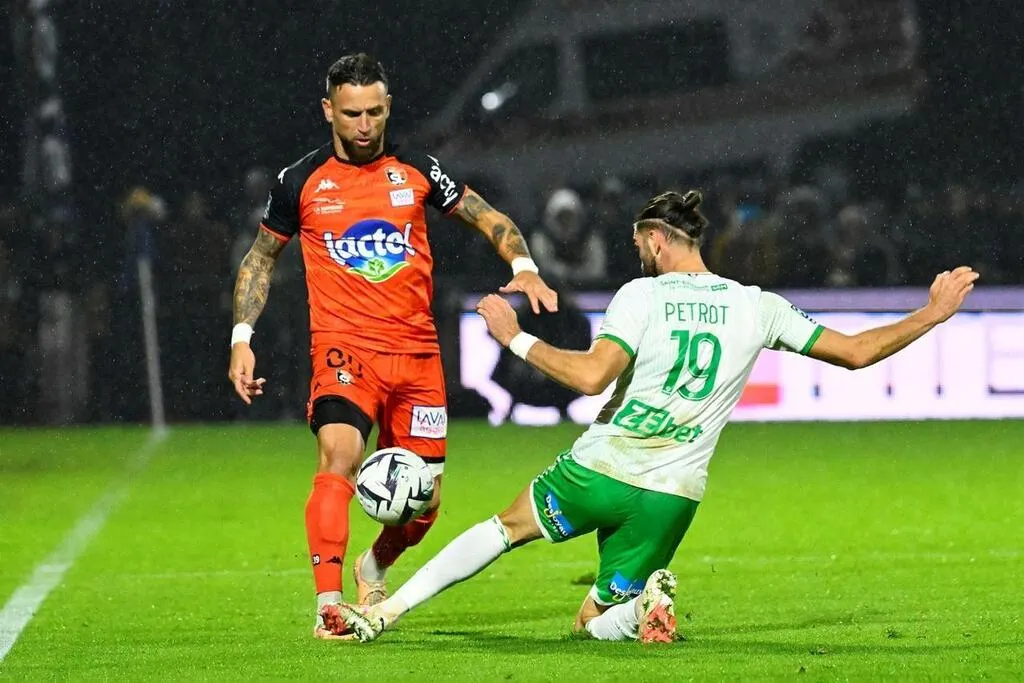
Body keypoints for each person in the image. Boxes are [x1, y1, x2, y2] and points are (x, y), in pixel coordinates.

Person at [327, 189, 979, 644]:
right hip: (673, 493)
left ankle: (385, 613)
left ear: (660, 240)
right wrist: (932, 314)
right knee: (592, 623)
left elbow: (591, 377)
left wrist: (514, 338)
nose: (638, 253)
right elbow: (858, 352)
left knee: (504, 528)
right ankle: (642, 609)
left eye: (641, 242)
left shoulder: (643, 295)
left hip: (603, 467)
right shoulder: (758, 305)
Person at [226, 53, 558, 640]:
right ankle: (329, 605)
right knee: (338, 457)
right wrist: (241, 336)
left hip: (418, 357)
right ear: (328, 110)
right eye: (351, 113)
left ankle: (374, 567)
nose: (364, 126)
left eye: (374, 112)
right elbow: (260, 258)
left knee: (423, 507)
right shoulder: (300, 181)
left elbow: (488, 217)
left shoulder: (416, 169)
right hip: (344, 349)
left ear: (388, 107)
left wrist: (525, 267)